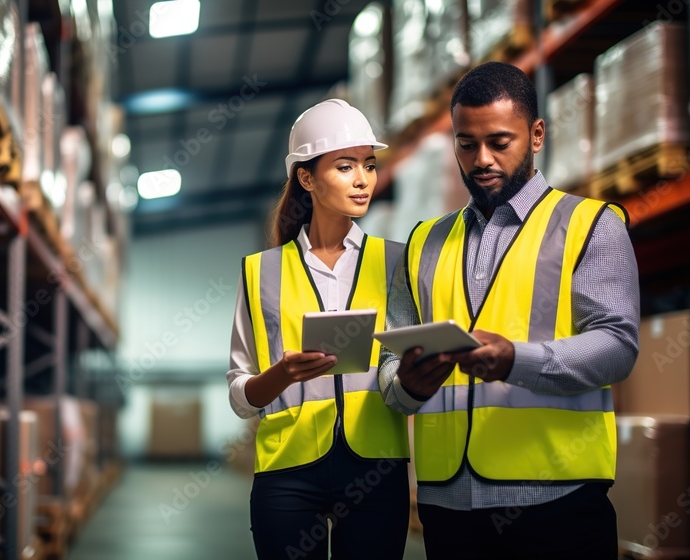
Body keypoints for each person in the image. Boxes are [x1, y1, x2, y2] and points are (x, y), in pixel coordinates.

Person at [378, 61, 640, 559]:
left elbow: (618, 346)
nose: (482, 159)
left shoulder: (590, 224)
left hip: (556, 500)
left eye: (500, 142)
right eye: (466, 143)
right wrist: (406, 386)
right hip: (446, 505)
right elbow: (391, 374)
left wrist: (517, 360)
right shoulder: (422, 244)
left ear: (536, 134)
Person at [227, 99, 411, 560]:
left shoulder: (396, 262)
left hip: (375, 468)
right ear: (306, 178)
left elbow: (403, 367)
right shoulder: (261, 271)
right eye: (345, 166)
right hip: (287, 473)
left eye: (368, 165)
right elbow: (239, 394)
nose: (362, 179)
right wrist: (283, 375)